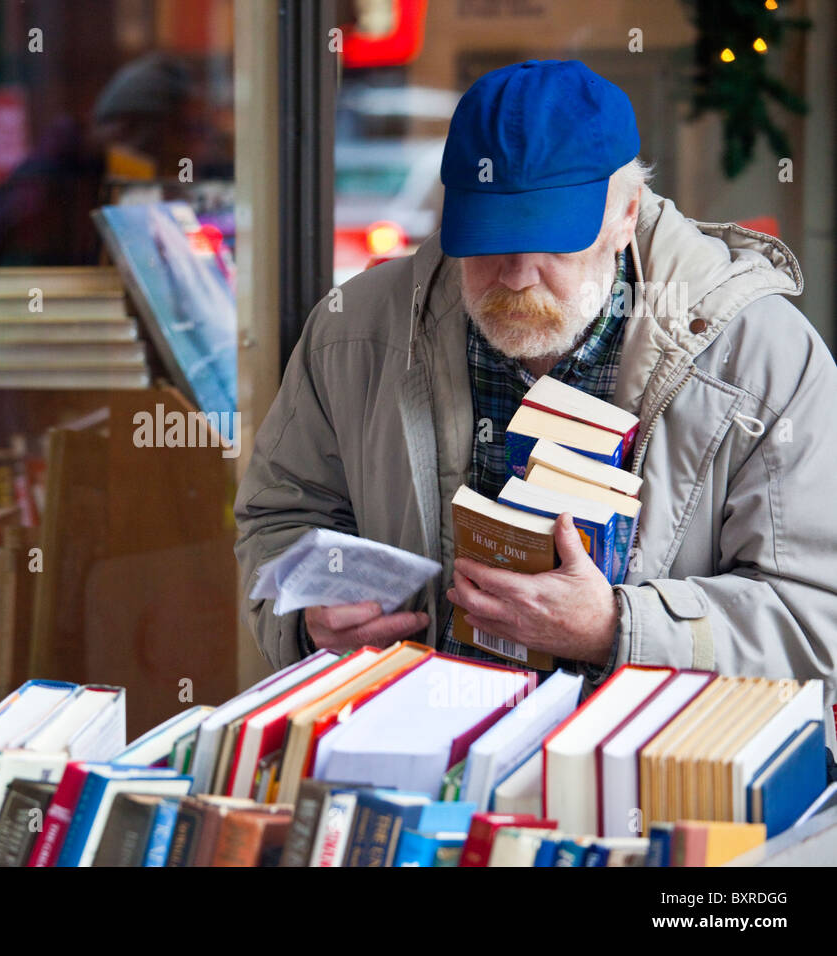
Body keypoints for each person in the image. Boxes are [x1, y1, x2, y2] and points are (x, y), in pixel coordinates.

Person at [234, 60, 837, 743]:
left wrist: (616, 628)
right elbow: (277, 520)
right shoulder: (353, 331)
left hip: (650, 785)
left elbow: (818, 623)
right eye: (490, 239)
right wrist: (306, 619)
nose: (517, 276)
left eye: (552, 237)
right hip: (414, 764)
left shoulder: (762, 357)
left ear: (626, 214)